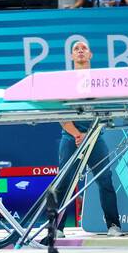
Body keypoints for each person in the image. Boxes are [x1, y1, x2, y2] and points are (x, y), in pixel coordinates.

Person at [52, 40, 123, 236]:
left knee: (105, 180)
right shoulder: (65, 82)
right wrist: (76, 134)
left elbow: (105, 112)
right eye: (76, 49)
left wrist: (89, 135)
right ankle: (56, 228)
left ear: (90, 55)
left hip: (95, 137)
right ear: (71, 57)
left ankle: (113, 226)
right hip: (70, 138)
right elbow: (61, 115)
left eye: (84, 48)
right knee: (65, 182)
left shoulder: (100, 81)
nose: (80, 51)